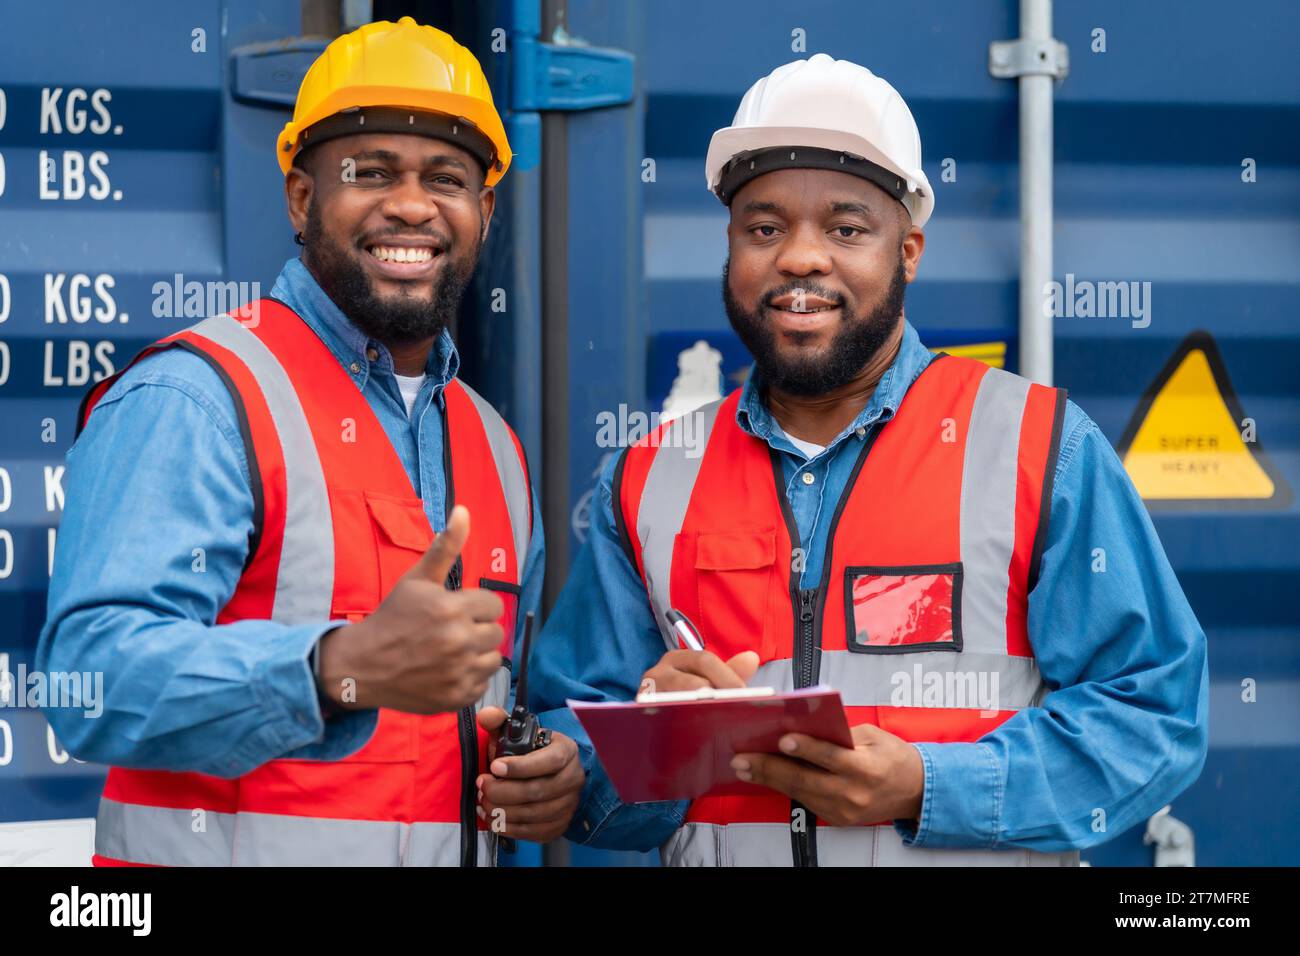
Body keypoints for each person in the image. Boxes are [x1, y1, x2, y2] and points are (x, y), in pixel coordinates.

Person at [530, 54, 1209, 866]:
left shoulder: (1035, 446)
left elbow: (1154, 715)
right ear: (731, 247)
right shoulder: (649, 474)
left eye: (847, 229)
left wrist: (931, 786)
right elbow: (573, 759)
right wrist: (651, 745)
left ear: (909, 250)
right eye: (764, 227)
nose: (801, 258)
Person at [38, 17, 582, 866]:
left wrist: (551, 768)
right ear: (301, 197)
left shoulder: (496, 449)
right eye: (371, 172)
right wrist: (336, 666)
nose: (411, 204)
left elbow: (508, 709)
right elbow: (87, 683)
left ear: (483, 210)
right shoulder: (198, 397)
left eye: (446, 176)